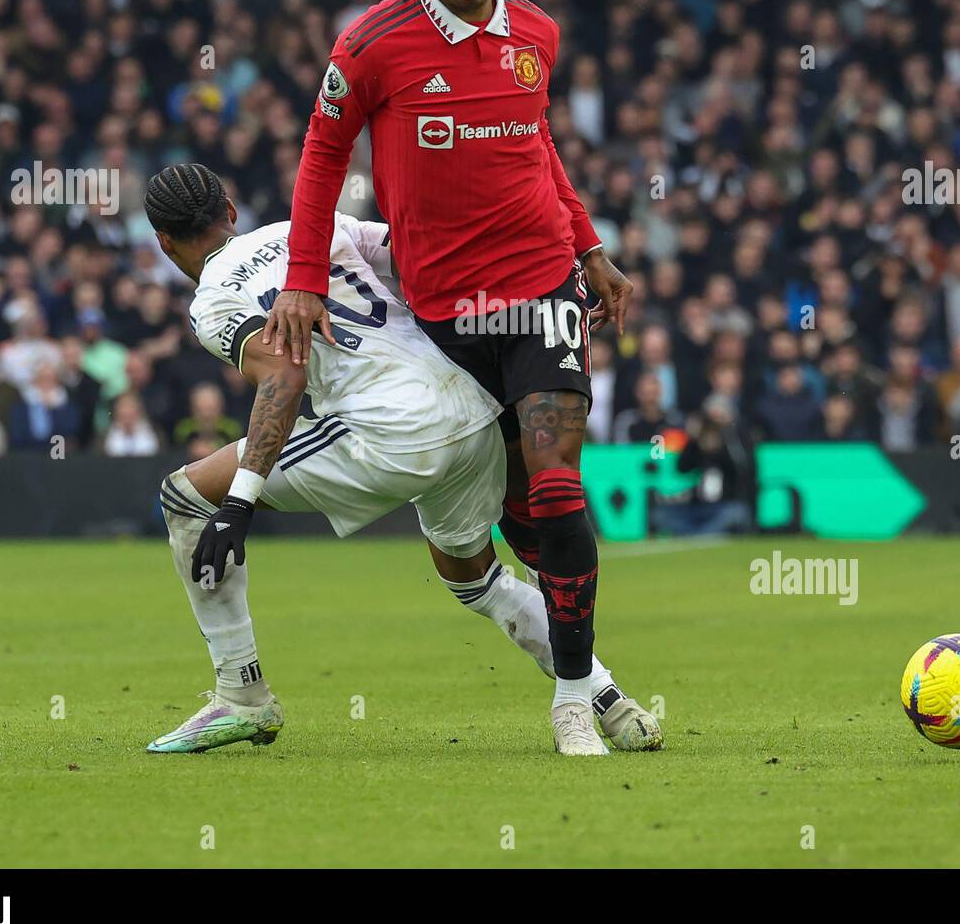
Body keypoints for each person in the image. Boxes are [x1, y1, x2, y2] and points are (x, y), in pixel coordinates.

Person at [264, 0, 641, 755]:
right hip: (443, 309)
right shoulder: (369, 45)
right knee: (520, 520)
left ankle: (572, 706)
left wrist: (587, 249)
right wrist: (303, 275)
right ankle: (598, 682)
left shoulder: (538, 33)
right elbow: (322, 155)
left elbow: (538, 142)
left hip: (544, 289)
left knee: (556, 488)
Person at [143, 164, 659, 755]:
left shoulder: (213, 302)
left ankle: (241, 693)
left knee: (183, 496)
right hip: (472, 406)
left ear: (164, 243)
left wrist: (240, 502)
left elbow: (283, 374)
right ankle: (607, 700)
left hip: (392, 436)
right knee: (474, 580)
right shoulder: (313, 230)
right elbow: (421, 257)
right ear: (230, 210)